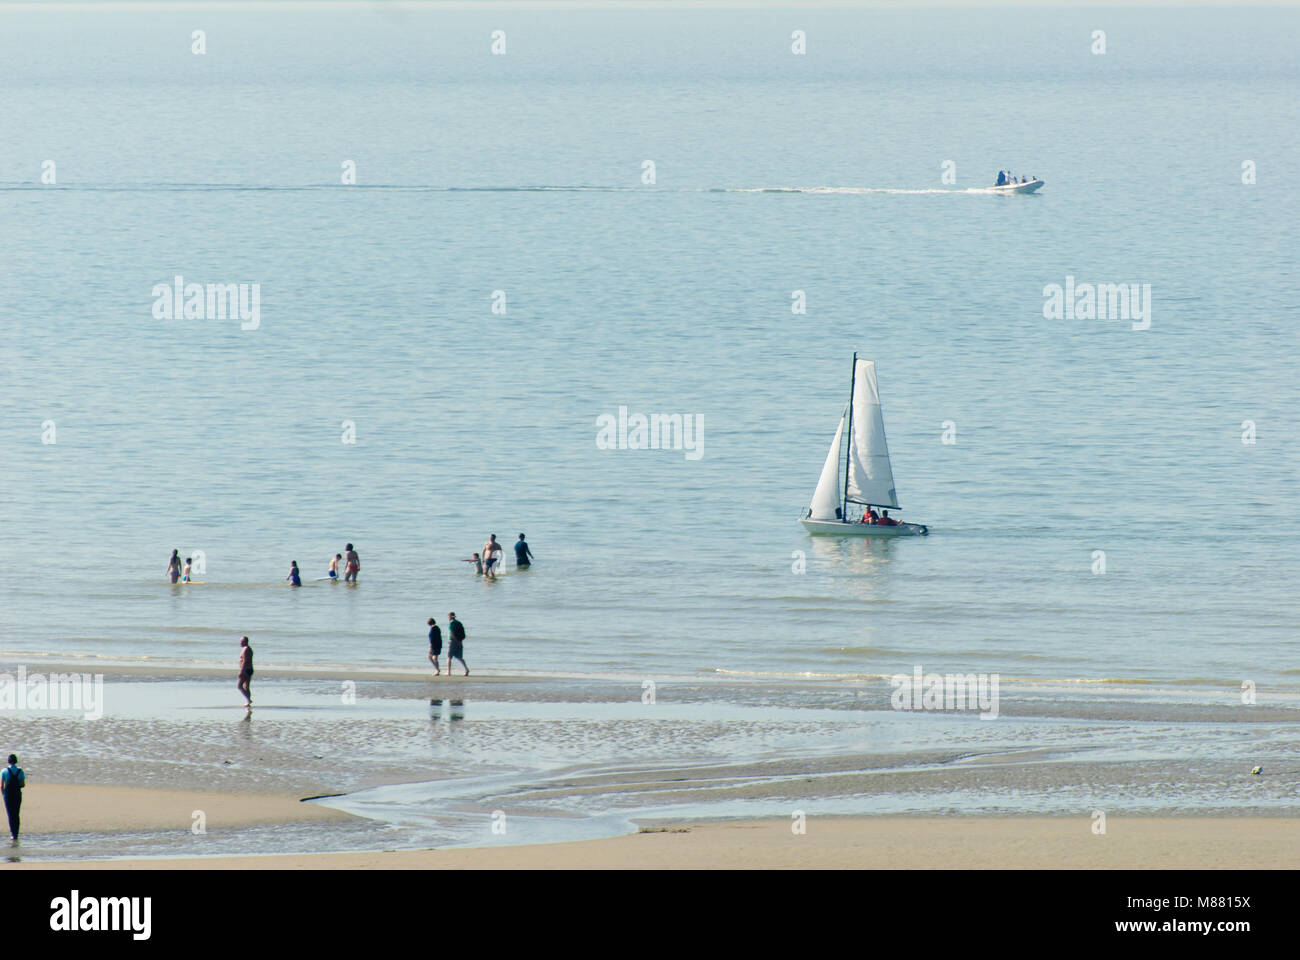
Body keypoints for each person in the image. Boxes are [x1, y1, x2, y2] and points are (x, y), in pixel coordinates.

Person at [2, 755, 24, 845]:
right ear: (16, 761)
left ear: (8, 761)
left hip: (8, 795)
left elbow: (1, 785)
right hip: (17, 795)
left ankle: (12, 834)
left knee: (10, 814)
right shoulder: (20, 771)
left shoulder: (4, 771)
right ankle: (16, 833)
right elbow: (23, 784)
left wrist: (3, 794)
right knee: (16, 814)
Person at [237, 636, 254, 707]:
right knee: (246, 686)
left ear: (245, 642)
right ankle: (248, 701)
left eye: (241, 641)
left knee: (239, 686)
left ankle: (248, 700)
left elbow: (245, 661)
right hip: (249, 669)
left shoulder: (246, 649)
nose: (240, 643)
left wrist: (241, 671)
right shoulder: (248, 649)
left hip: (246, 670)